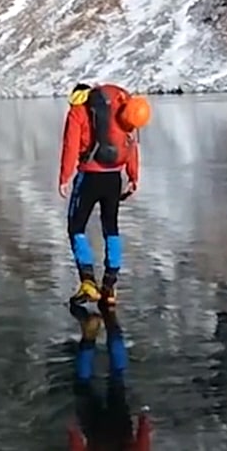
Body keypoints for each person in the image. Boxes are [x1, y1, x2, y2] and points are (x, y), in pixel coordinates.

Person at [58, 82, 152, 306]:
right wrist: (133, 176)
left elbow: (70, 145)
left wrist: (64, 177)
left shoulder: (77, 111)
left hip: (89, 176)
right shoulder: (118, 110)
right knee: (111, 226)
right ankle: (109, 287)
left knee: (76, 227)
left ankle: (88, 282)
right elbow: (131, 143)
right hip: (114, 177)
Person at [66, 303, 152, 451]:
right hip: (95, 432)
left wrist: (143, 422)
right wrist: (73, 431)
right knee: (83, 384)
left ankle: (110, 320)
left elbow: (142, 445)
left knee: (117, 376)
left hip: (120, 428)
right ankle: (88, 339)